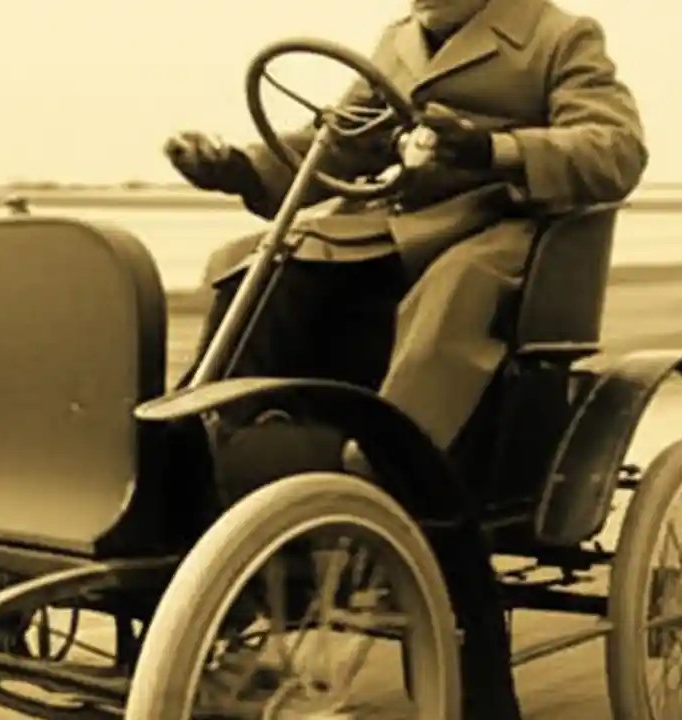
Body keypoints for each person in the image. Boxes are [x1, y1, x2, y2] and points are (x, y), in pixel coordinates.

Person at [165, 0, 646, 716]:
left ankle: (391, 468)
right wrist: (238, 166)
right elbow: (340, 143)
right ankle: (207, 444)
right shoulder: (399, 39)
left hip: (497, 237)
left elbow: (615, 149)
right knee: (255, 260)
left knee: (454, 293)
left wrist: (490, 148)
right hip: (387, 230)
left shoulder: (557, 35)